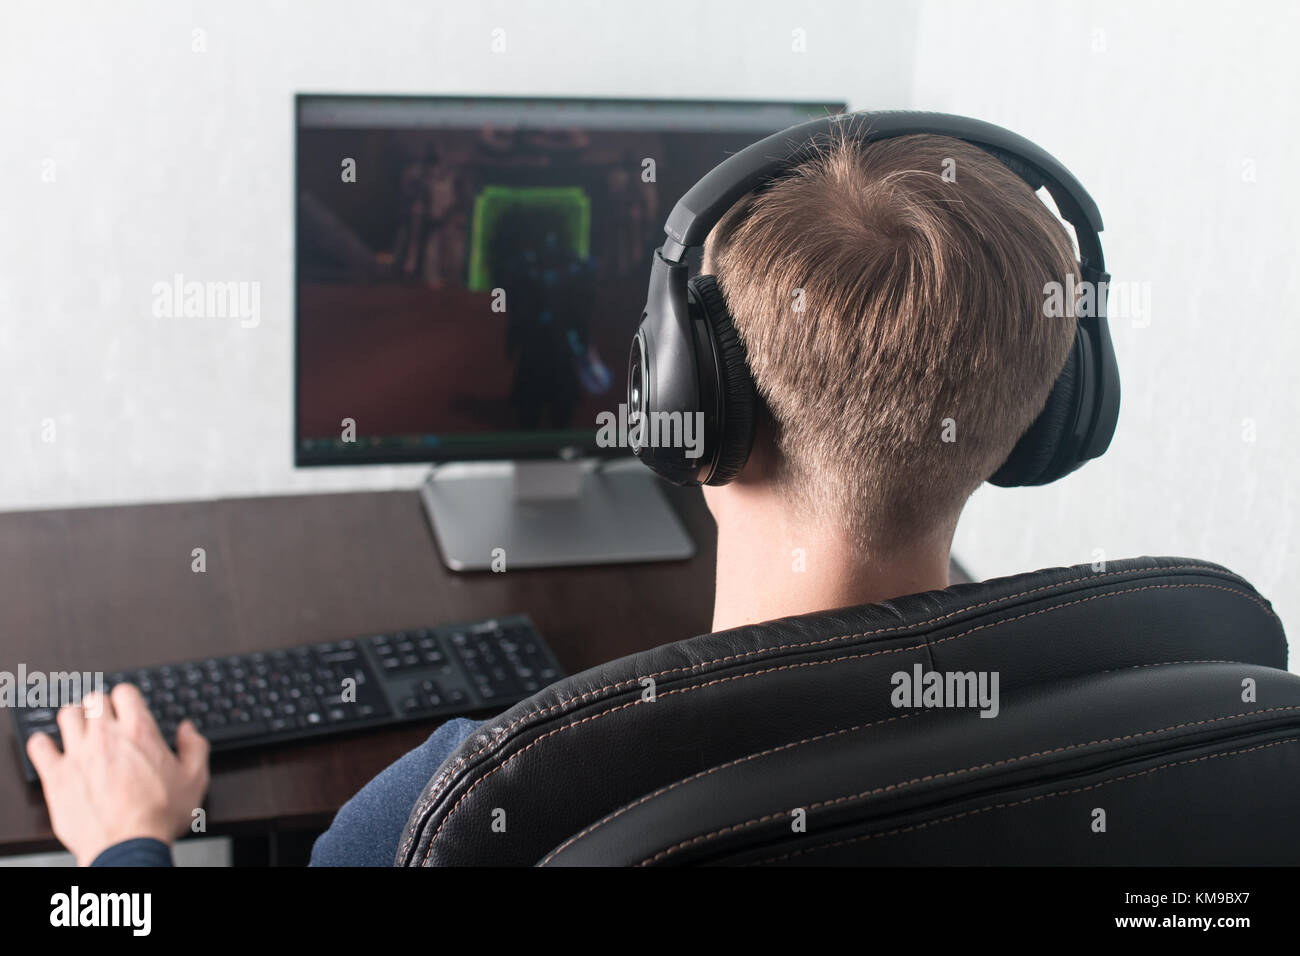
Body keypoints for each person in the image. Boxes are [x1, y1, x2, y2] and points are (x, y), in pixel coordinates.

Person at [28, 128, 1079, 866]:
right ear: (1040, 416)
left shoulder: (458, 799)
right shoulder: (1104, 729)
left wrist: (126, 843)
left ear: (694, 409)